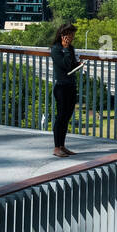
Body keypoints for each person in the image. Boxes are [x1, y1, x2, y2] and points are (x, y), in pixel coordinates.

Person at [49, 23, 81, 157]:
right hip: (61, 86)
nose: (72, 38)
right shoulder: (56, 49)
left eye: (73, 35)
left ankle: (62, 145)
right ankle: (57, 147)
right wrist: (66, 49)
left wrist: (78, 63)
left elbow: (71, 64)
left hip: (71, 85)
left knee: (67, 116)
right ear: (63, 35)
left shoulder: (70, 48)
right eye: (70, 35)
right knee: (61, 116)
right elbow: (65, 65)